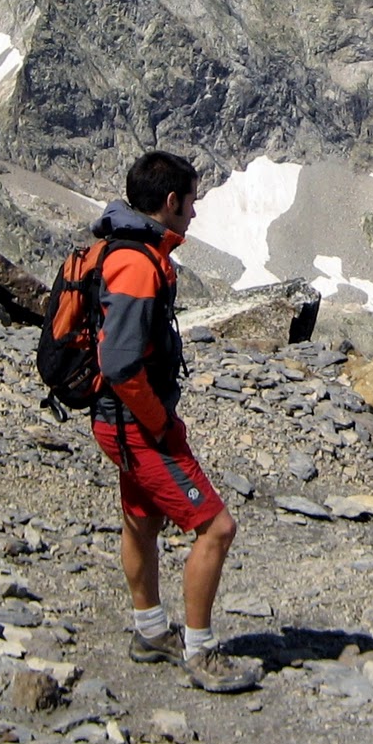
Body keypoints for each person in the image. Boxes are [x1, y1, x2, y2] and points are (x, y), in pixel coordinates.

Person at [90, 150, 260, 693]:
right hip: (135, 424)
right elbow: (119, 364)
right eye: (191, 200)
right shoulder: (139, 265)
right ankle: (202, 652)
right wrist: (162, 424)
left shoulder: (122, 249)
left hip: (116, 422)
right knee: (216, 526)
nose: (194, 211)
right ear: (170, 202)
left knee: (141, 518)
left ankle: (148, 631)